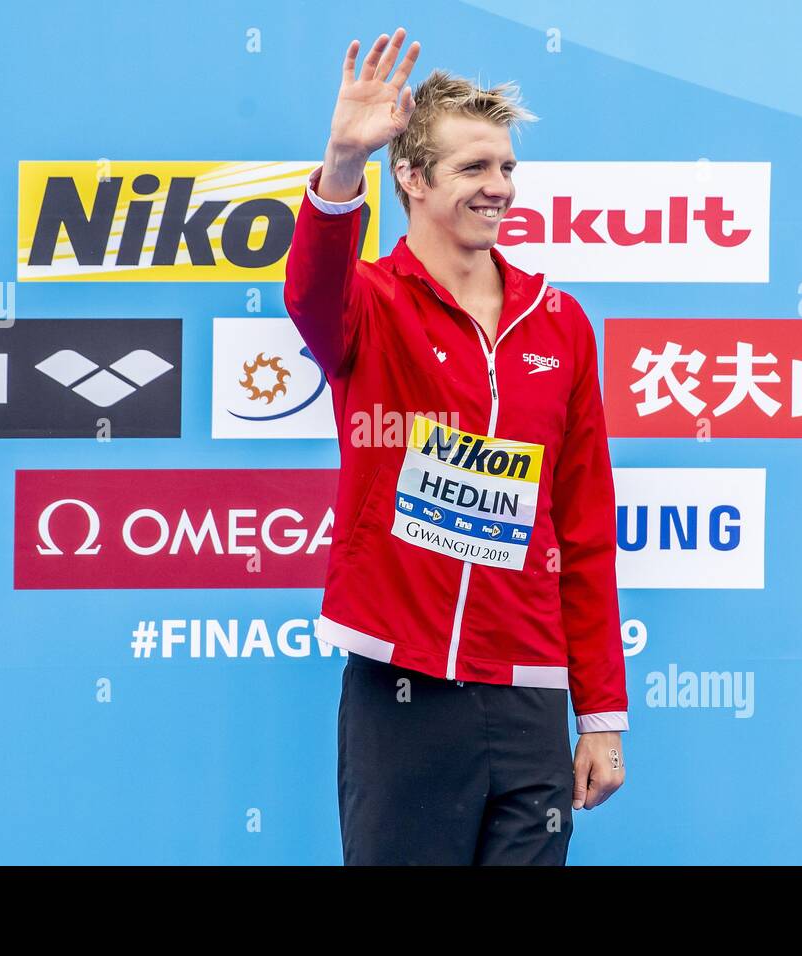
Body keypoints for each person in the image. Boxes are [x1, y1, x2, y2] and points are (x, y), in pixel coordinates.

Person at [283, 27, 628, 865]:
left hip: (530, 693)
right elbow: (310, 293)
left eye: (506, 167)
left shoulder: (559, 322)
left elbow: (582, 526)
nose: (499, 187)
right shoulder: (369, 301)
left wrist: (603, 718)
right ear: (411, 177)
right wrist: (338, 165)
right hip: (404, 690)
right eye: (475, 168)